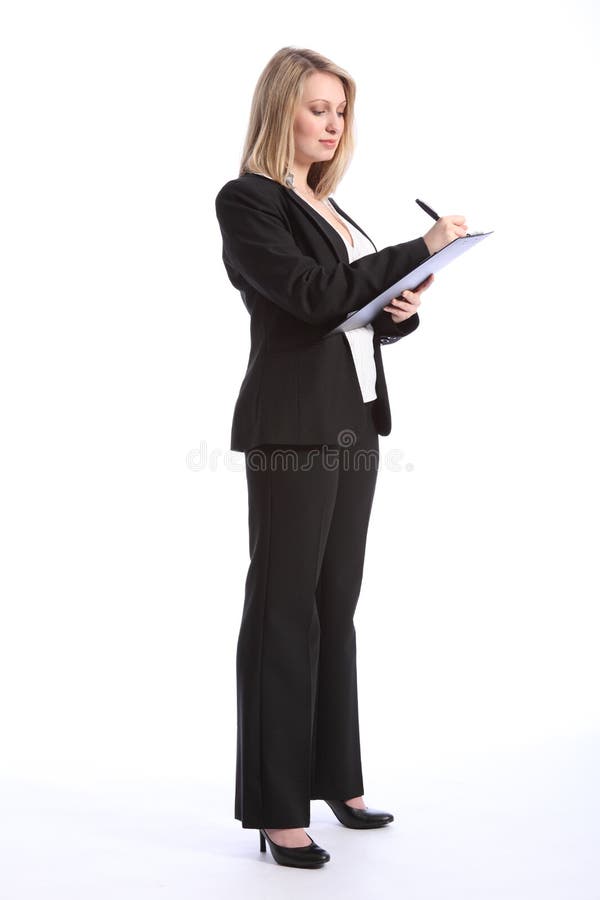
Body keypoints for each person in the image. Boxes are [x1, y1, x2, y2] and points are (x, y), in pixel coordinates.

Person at [214, 46, 468, 869]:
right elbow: (311, 298)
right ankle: (277, 808)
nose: (333, 124)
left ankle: (335, 780)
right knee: (283, 609)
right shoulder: (248, 200)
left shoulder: (328, 204)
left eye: (341, 111)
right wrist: (415, 247)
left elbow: (348, 318)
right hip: (292, 427)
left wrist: (400, 309)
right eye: (318, 108)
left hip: (352, 420)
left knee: (334, 606)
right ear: (281, 108)